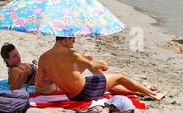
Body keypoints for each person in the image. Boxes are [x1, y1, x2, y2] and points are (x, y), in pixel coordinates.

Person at [33, 36, 164, 102]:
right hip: (86, 91)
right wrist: (103, 64)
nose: (74, 42)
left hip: (72, 96)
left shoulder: (44, 57)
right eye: (73, 39)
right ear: (66, 39)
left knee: (109, 83)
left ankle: (139, 92)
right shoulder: (71, 54)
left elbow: (38, 83)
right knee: (119, 77)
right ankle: (154, 95)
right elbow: (93, 66)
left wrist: (58, 80)